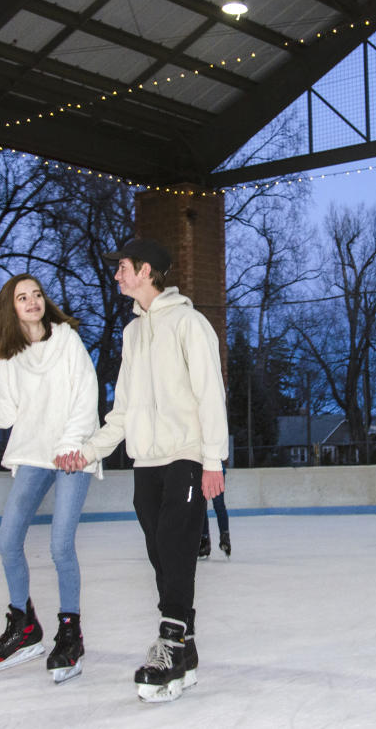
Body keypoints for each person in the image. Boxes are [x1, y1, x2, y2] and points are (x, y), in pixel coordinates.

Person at [58, 238, 228, 704]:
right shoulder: (132, 335)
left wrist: (213, 460)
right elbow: (124, 410)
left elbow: (211, 394)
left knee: (175, 545)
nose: (116, 275)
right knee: (160, 553)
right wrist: (89, 451)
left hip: (187, 456)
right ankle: (185, 646)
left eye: (123, 268)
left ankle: (170, 642)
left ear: (147, 271)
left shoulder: (191, 325)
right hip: (145, 461)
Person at [0, 274, 98, 683]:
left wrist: (73, 442)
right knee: (7, 541)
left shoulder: (67, 341)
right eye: (23, 297)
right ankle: (24, 628)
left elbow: (86, 393)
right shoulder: (11, 357)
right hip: (35, 454)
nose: (33, 301)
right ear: (12, 308)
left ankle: (70, 634)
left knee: (60, 546)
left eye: (36, 294)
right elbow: (3, 415)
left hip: (72, 453)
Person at [198, 464, 231, 559]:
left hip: (216, 471)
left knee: (219, 505)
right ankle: (204, 539)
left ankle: (225, 537)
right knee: (201, 507)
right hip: (200, 473)